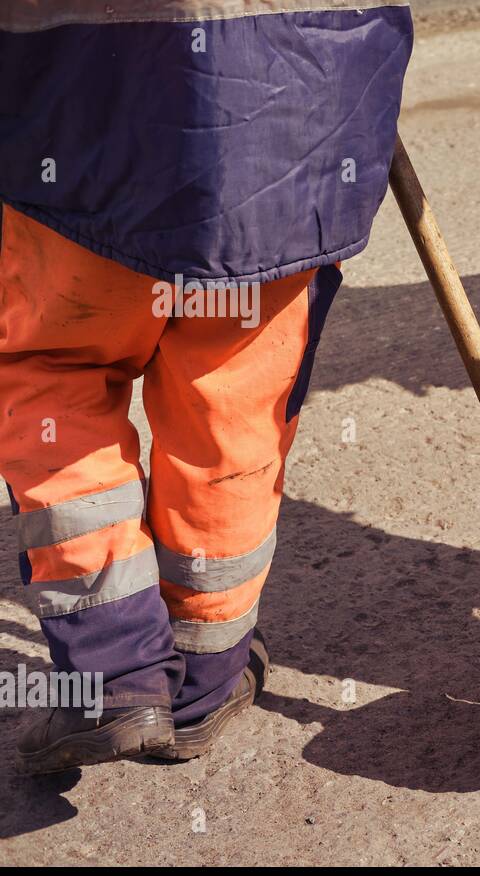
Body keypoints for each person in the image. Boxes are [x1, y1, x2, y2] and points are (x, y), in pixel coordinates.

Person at [0, 2, 413, 772]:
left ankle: (114, 675)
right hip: (294, 126)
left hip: (82, 115)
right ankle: (204, 679)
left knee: (53, 372)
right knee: (234, 405)